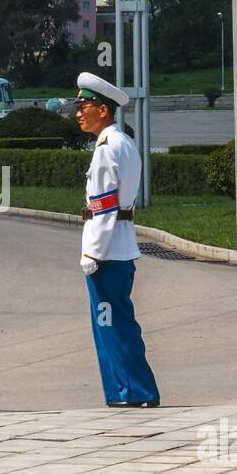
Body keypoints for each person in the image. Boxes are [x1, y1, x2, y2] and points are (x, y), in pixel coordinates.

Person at [74, 71, 160, 408]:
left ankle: (133, 390)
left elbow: (105, 208)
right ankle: (128, 390)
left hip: (108, 254)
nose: (79, 113)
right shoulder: (122, 142)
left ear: (103, 110)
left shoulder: (108, 149)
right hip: (119, 248)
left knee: (111, 324)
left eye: (84, 106)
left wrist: (92, 253)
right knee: (117, 322)